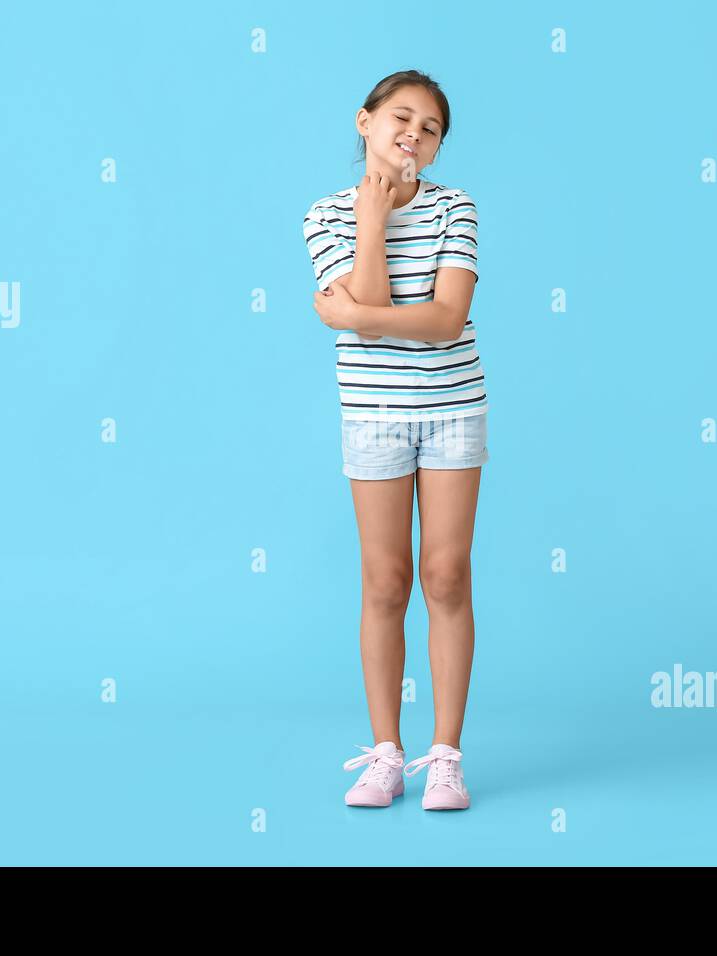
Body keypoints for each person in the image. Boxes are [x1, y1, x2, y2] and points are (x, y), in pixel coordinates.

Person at [302, 70, 486, 810]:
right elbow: (382, 301)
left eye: (430, 127)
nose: (413, 132)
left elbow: (446, 320)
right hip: (373, 413)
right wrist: (372, 221)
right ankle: (385, 754)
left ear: (437, 149)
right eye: (401, 117)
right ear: (365, 122)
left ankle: (446, 757)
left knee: (445, 576)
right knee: (385, 582)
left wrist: (356, 319)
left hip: (451, 409)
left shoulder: (457, 209)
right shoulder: (323, 216)